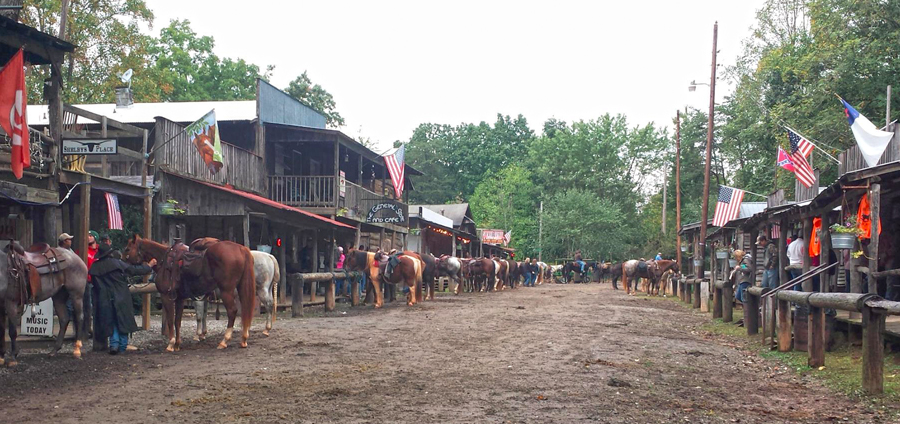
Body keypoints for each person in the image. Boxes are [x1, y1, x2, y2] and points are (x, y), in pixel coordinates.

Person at [89, 243, 156, 354]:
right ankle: (122, 346)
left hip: (104, 298)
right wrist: (149, 266)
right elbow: (135, 270)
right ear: (110, 253)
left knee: (112, 322)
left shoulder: (95, 267)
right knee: (123, 321)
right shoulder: (117, 264)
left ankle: (114, 345)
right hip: (121, 296)